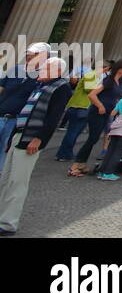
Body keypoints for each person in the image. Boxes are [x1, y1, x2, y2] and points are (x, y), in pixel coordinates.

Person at [0, 57, 71, 236]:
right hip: (19, 135)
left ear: (56, 71)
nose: (40, 70)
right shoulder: (40, 86)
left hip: (31, 139)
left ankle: (8, 223)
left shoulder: (61, 87)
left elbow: (54, 117)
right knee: (5, 179)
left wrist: (40, 139)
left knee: (17, 181)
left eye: (46, 67)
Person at [69, 58, 122, 177]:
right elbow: (92, 94)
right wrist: (100, 105)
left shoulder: (118, 82)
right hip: (98, 112)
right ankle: (75, 165)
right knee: (92, 138)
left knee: (94, 138)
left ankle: (81, 164)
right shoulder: (109, 80)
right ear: (120, 68)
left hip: (107, 112)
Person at [0, 41, 51, 175]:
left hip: (16, 120)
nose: (30, 56)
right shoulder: (16, 69)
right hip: (1, 114)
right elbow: (1, 88)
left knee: (5, 148)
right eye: (29, 54)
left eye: (34, 54)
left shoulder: (43, 77)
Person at [54, 65, 99, 161]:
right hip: (81, 106)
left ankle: (64, 153)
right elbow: (89, 90)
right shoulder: (91, 75)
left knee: (72, 131)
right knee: (73, 132)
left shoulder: (89, 75)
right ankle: (64, 154)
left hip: (76, 105)